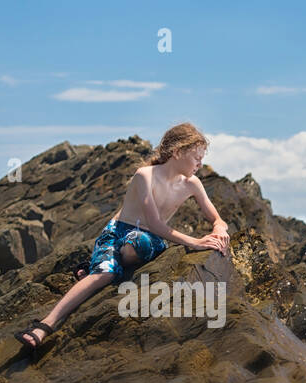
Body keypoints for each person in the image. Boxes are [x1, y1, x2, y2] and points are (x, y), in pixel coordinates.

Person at [14, 122, 230, 351]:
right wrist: (195, 242)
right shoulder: (144, 176)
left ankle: (95, 267)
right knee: (105, 273)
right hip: (118, 232)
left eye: (201, 158)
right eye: (196, 157)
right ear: (177, 152)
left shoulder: (192, 184)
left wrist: (219, 229)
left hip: (146, 239)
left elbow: (217, 219)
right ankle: (44, 326)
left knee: (137, 244)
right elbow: (155, 222)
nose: (200, 163)